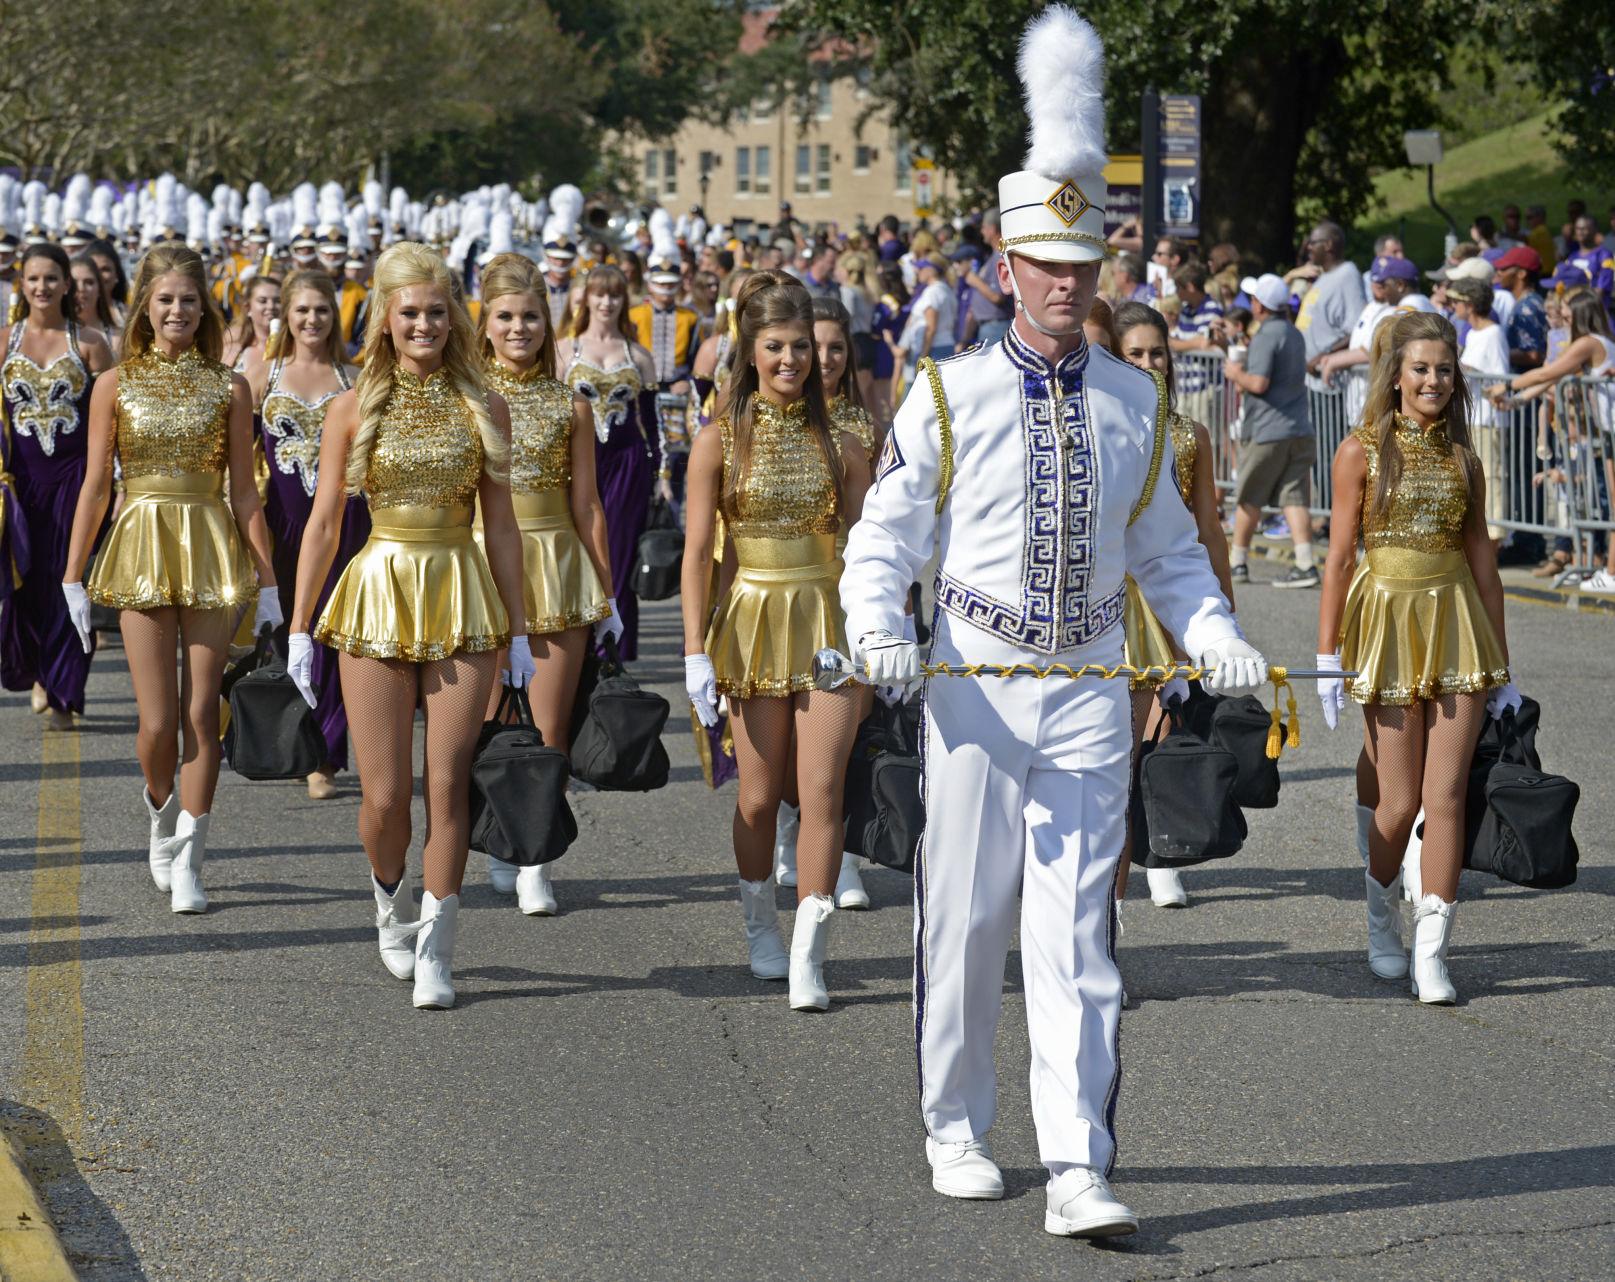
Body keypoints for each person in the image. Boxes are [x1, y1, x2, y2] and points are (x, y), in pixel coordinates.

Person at [838, 6, 1268, 1238]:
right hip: (969, 677)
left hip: (1086, 682)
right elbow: (887, 531)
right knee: (965, 915)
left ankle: (1078, 1159)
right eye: (1047, 269)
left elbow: (1169, 549)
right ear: (1008, 268)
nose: (1068, 287)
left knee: (1079, 927)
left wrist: (1210, 632)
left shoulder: (1136, 400)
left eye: (1084, 271)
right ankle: (956, 1122)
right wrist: (876, 616)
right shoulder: (948, 388)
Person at [287, 241, 529, 1010]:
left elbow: (505, 528)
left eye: (435, 311)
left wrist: (520, 634)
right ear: (385, 322)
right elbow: (324, 522)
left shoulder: (486, 404)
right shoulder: (352, 407)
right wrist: (296, 627)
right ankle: (389, 908)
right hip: (378, 590)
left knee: (448, 784)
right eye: (409, 313)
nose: (424, 324)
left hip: (462, 591)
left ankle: (437, 947)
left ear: (452, 317)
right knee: (385, 798)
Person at [62, 243, 279, 914]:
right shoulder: (114, 384)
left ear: (203, 308)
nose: (178, 310)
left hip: (211, 543)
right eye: (165, 300)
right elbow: (97, 484)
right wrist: (73, 577)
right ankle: (159, 815)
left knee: (199, 713)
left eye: (189, 299)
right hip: (140, 544)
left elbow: (246, 494)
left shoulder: (230, 385)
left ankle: (191, 853)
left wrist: (267, 584)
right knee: (156, 721)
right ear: (146, 309)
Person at [680, 271, 872, 1011]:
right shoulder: (717, 441)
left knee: (821, 789)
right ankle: (760, 923)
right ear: (749, 352)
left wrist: (886, 633)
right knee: (759, 798)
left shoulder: (846, 442)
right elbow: (699, 554)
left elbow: (868, 547)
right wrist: (694, 651)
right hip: (753, 620)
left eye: (800, 346)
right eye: (775, 347)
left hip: (831, 624)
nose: (791, 360)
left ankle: (808, 951)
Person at [1317, 311, 1515, 1005]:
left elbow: (1484, 566)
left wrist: (1505, 667)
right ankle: (1380, 920)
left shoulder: (1465, 458)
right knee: (1396, 803)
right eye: (1420, 368)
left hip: (1456, 621)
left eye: (1443, 368)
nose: (1433, 379)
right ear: (1395, 375)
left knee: (1447, 796)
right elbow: (1338, 558)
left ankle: (1432, 952)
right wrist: (1324, 653)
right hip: (1386, 624)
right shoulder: (1360, 451)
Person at [473, 252, 617, 914]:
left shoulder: (571, 405)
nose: (519, 327)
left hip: (558, 566)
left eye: (531, 315)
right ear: (485, 321)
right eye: (505, 316)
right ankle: (499, 837)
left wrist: (607, 593)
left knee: (549, 725)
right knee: (488, 720)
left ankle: (537, 860)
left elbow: (588, 505)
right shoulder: (466, 399)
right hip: (479, 565)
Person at [1112, 301, 1237, 910]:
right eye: (1133, 353)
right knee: (1125, 743)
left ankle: (1161, 849)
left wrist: (1225, 613)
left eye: (1156, 352)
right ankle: (1129, 856)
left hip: (1174, 593)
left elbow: (1208, 528)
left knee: (1171, 728)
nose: (1147, 362)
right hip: (1118, 596)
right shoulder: (1109, 424)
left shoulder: (1191, 435)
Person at [245, 269, 366, 799]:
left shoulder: (355, 377)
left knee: (334, 637)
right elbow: (240, 459)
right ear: (285, 317)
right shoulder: (261, 376)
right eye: (302, 310)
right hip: (281, 529)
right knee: (288, 635)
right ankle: (294, 738)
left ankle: (327, 757)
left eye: (321, 310)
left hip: (347, 526)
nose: (312, 319)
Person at [1, 244, 116, 728]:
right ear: (21, 286)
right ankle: (39, 673)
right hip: (20, 486)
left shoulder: (89, 342)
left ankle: (66, 693)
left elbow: (112, 422)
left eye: (52, 278)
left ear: (68, 285)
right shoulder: (5, 340)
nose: (42, 287)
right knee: (24, 582)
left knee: (70, 581)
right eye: (33, 279)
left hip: (75, 482)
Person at [558, 265, 659, 660]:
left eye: (614, 295)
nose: (606, 302)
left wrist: (661, 476)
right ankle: (576, 649)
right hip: (576, 463)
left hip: (627, 464)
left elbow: (653, 425)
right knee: (575, 551)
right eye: (599, 294)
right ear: (586, 298)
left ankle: (612, 653)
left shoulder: (639, 355)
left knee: (616, 553)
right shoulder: (565, 350)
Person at [1226, 272, 1318, 587]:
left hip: (1267, 430)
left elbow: (1259, 382)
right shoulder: (1294, 333)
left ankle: (1237, 563)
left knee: (1249, 497)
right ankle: (1305, 563)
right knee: (1294, 499)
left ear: (1260, 305)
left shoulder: (1267, 335)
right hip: (1299, 428)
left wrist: (1235, 372)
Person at [1448, 278, 1511, 549]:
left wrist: (1464, 368)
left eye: (1456, 302)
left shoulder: (1493, 334)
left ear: (1469, 305)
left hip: (1488, 420)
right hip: (1471, 418)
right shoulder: (1472, 334)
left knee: (1491, 480)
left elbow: (1499, 379)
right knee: (1470, 481)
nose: (1452, 306)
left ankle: (1493, 543)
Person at [1294, 220, 1366, 379]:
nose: (1308, 247)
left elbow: (1358, 330)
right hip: (1311, 380)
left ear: (1328, 245)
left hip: (1330, 382)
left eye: (1312, 243)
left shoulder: (1347, 275)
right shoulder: (1323, 277)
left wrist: (1325, 355)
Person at [960, 208, 1014, 348]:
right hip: (989, 327)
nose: (982, 231)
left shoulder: (1000, 256)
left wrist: (974, 280)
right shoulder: (994, 256)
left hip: (995, 326)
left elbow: (997, 296)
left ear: (992, 229)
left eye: (983, 227)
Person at [1497, 247, 1547, 371]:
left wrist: (1497, 353)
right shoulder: (1533, 301)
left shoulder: (1526, 308)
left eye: (1504, 269)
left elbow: (1533, 355)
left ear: (1522, 273)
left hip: (1525, 384)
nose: (1499, 273)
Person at [222, 273, 281, 372]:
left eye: (277, 301)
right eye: (262, 301)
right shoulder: (232, 349)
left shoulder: (297, 350)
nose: (271, 306)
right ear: (248, 307)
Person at [71, 252, 120, 358]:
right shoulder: (55, 335)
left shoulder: (118, 338)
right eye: (74, 283)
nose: (81, 288)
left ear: (99, 289)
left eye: (89, 282)